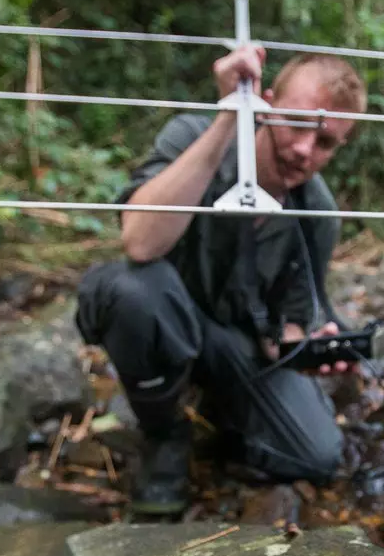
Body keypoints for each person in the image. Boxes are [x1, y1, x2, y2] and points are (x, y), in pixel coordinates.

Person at [74, 44, 366, 516]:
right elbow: (140, 242)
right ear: (267, 104)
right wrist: (229, 119)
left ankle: (216, 416)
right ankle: (164, 433)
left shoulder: (317, 213)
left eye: (327, 143)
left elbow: (288, 325)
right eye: (297, 124)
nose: (304, 151)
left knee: (318, 454)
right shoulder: (196, 134)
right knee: (131, 291)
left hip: (232, 343)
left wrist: (305, 347)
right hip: (163, 314)